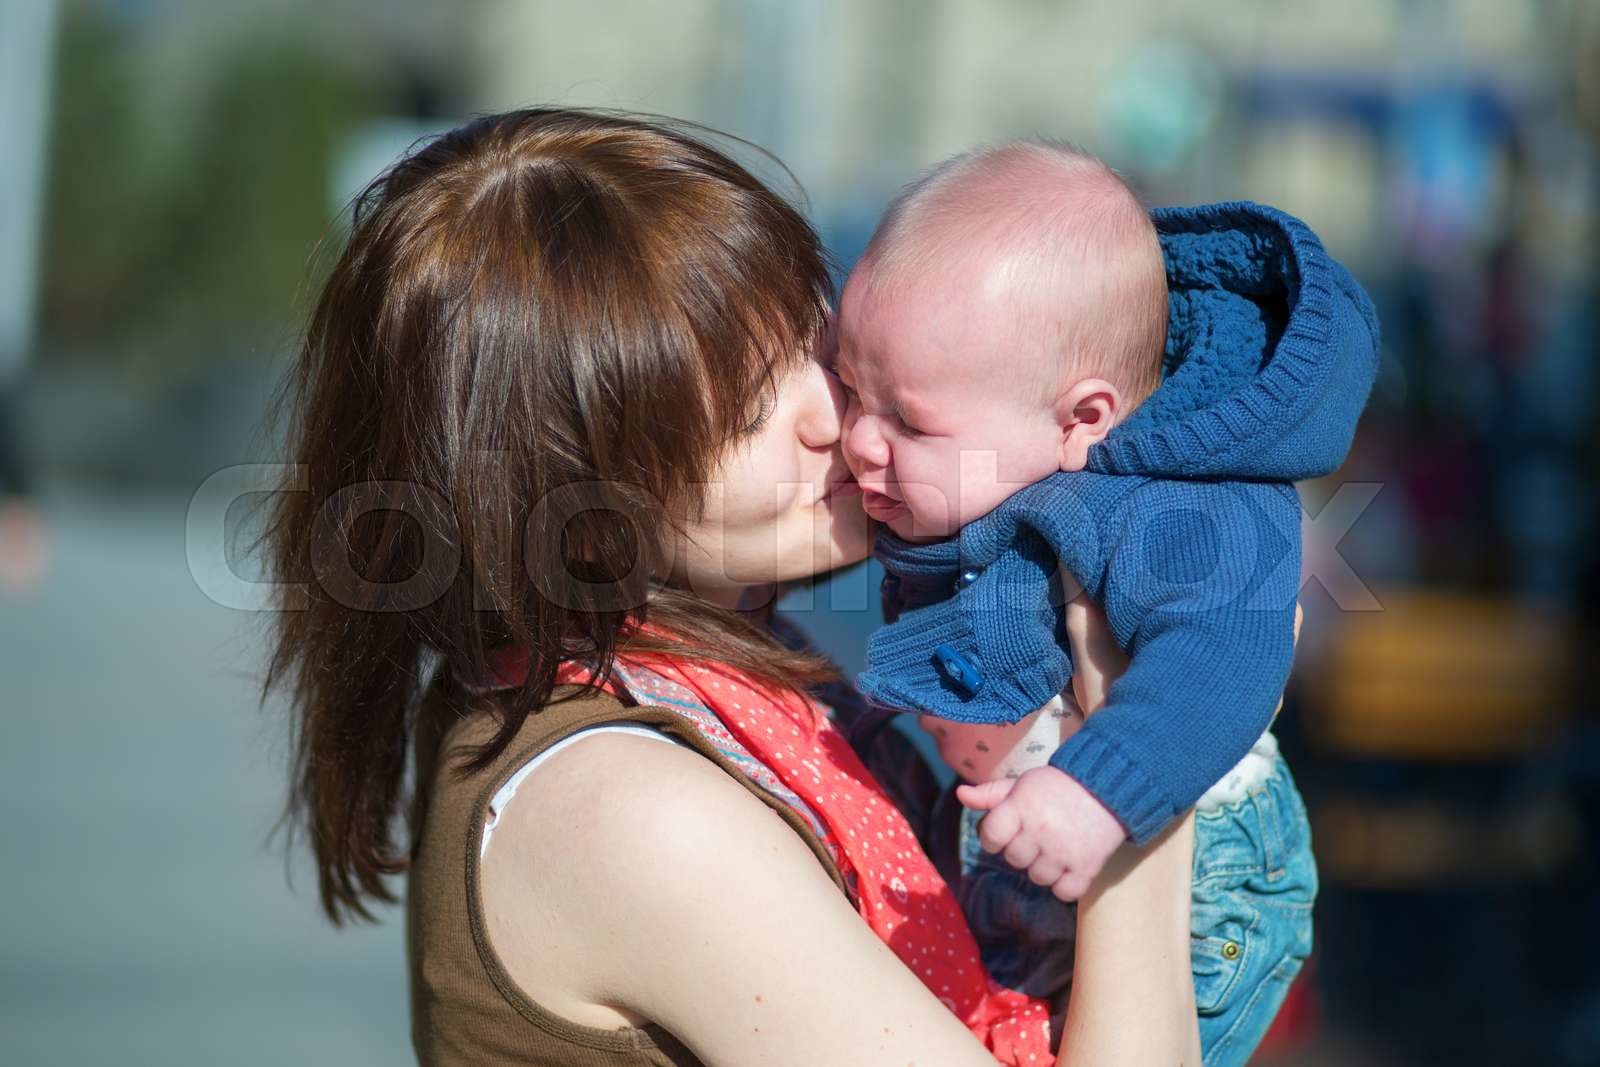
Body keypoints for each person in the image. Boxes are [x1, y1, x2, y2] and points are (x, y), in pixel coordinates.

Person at [265, 109, 1205, 1065]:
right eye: (745, 407)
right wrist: (1144, 764)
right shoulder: (631, 807)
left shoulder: (670, 692)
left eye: (810, 332)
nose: (833, 408)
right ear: (575, 502)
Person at [834, 140, 1377, 1062]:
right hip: (1032, 838)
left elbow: (1225, 660)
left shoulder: (1182, 498)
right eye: (851, 392)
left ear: (1082, 419)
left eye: (909, 422)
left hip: (1200, 867)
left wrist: (1102, 794)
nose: (859, 441)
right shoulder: (998, 467)